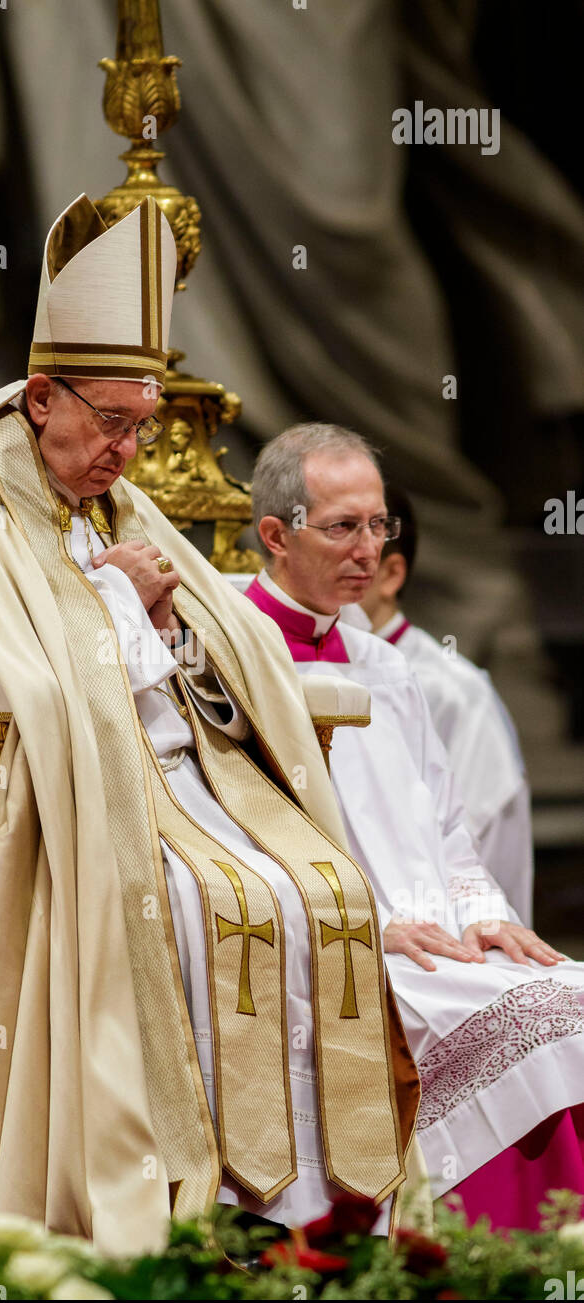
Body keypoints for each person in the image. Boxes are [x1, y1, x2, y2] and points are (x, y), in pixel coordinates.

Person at [0, 200, 420, 1258]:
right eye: (108, 421)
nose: (126, 449)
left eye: (140, 426)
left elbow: (208, 658)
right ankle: (168, 1206)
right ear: (37, 398)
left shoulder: (116, 501)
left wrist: (155, 624)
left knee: (322, 889)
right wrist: (110, 605)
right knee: (207, 899)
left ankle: (310, 1216)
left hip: (161, 774)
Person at [245, 422, 584, 1229]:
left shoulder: (388, 668)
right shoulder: (228, 652)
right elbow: (220, 831)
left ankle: (546, 1255)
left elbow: (447, 829)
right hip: (322, 945)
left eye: (378, 526)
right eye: (342, 527)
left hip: (429, 939)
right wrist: (364, 923)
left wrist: (487, 915)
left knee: (567, 994)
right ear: (275, 534)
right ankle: (483, 1256)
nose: (368, 549)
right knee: (543, 1020)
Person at [349, 484, 533, 928]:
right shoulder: (291, 663)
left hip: (438, 937)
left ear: (390, 575)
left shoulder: (452, 691)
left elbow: (473, 851)